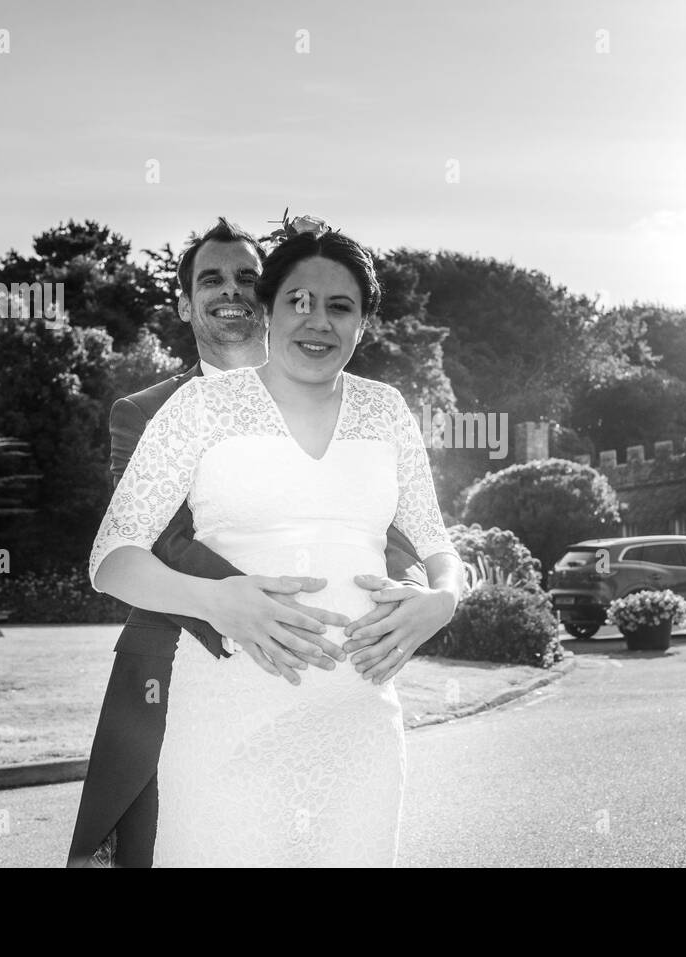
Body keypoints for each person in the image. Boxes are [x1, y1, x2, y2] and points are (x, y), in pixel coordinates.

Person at [88, 223, 462, 866]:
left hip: (360, 724)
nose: (317, 320)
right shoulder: (199, 407)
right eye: (298, 301)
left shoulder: (387, 410)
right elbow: (112, 559)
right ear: (271, 309)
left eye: (339, 306)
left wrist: (441, 602)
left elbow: (435, 541)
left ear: (364, 323)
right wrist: (217, 600)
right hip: (230, 714)